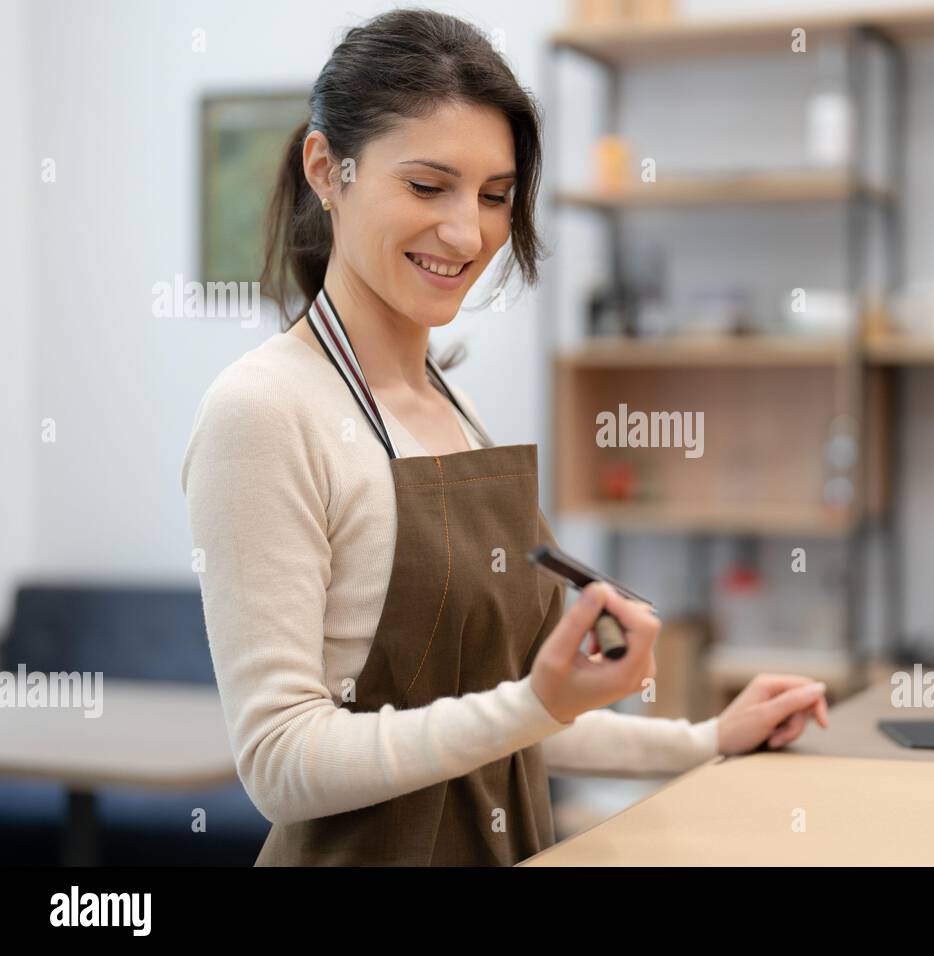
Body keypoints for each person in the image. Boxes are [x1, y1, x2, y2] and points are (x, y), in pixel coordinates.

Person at [180, 7, 829, 866]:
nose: (468, 233)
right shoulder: (260, 412)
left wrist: (706, 738)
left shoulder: (452, 406)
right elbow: (280, 763)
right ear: (325, 169)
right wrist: (536, 704)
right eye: (426, 186)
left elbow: (510, 717)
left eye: (494, 196)